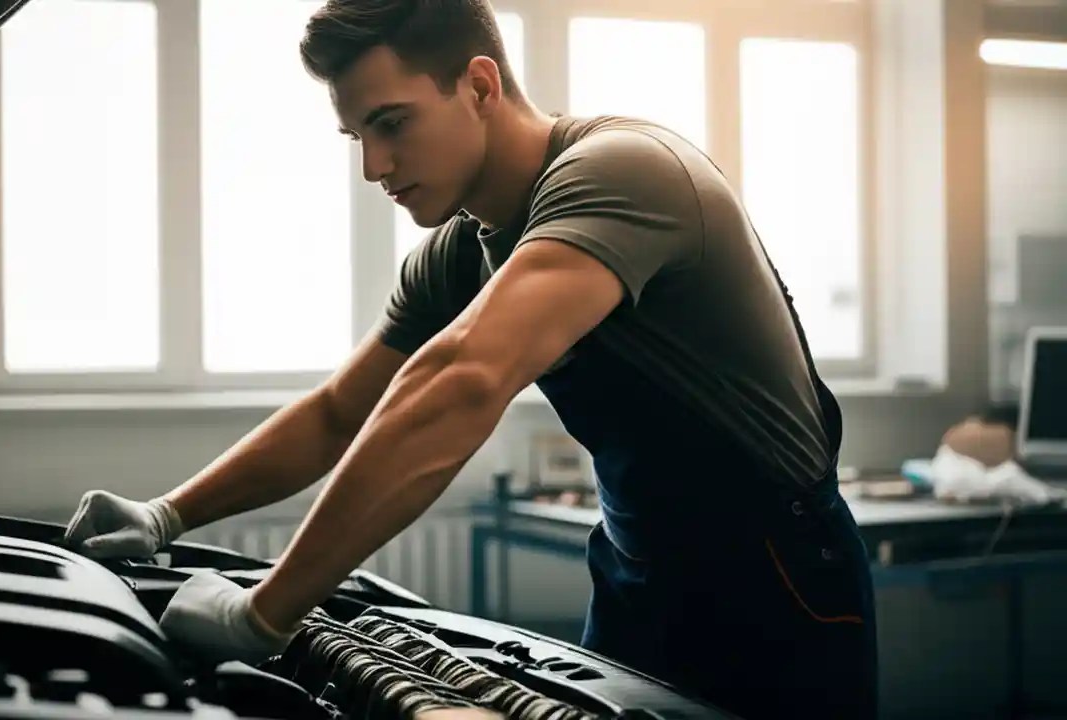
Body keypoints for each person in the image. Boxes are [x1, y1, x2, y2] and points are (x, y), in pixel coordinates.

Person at [62, 1, 878, 717]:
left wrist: (264, 615)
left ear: (480, 86)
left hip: (776, 577)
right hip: (638, 569)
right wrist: (166, 514)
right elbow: (342, 412)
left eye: (392, 123)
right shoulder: (460, 251)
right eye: (356, 135)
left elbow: (462, 380)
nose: (373, 167)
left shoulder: (624, 173)